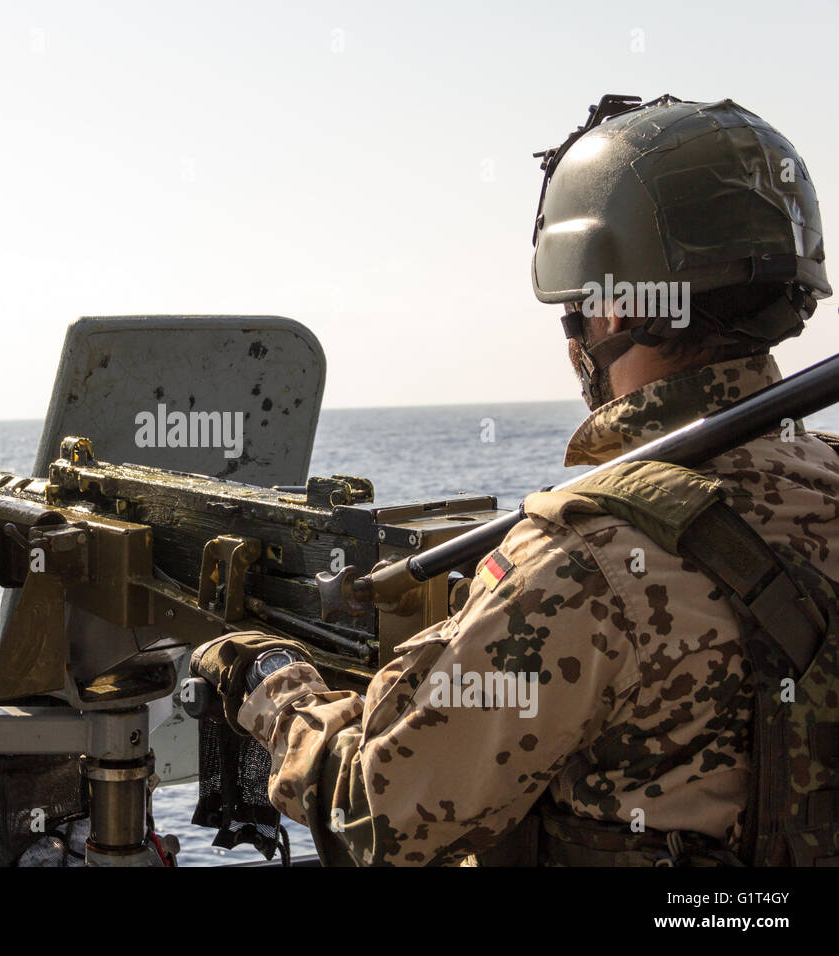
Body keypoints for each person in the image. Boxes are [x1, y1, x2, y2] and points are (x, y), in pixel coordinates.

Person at [190, 95, 839, 866]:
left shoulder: (588, 563)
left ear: (610, 308)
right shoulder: (826, 479)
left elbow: (379, 815)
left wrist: (272, 685)